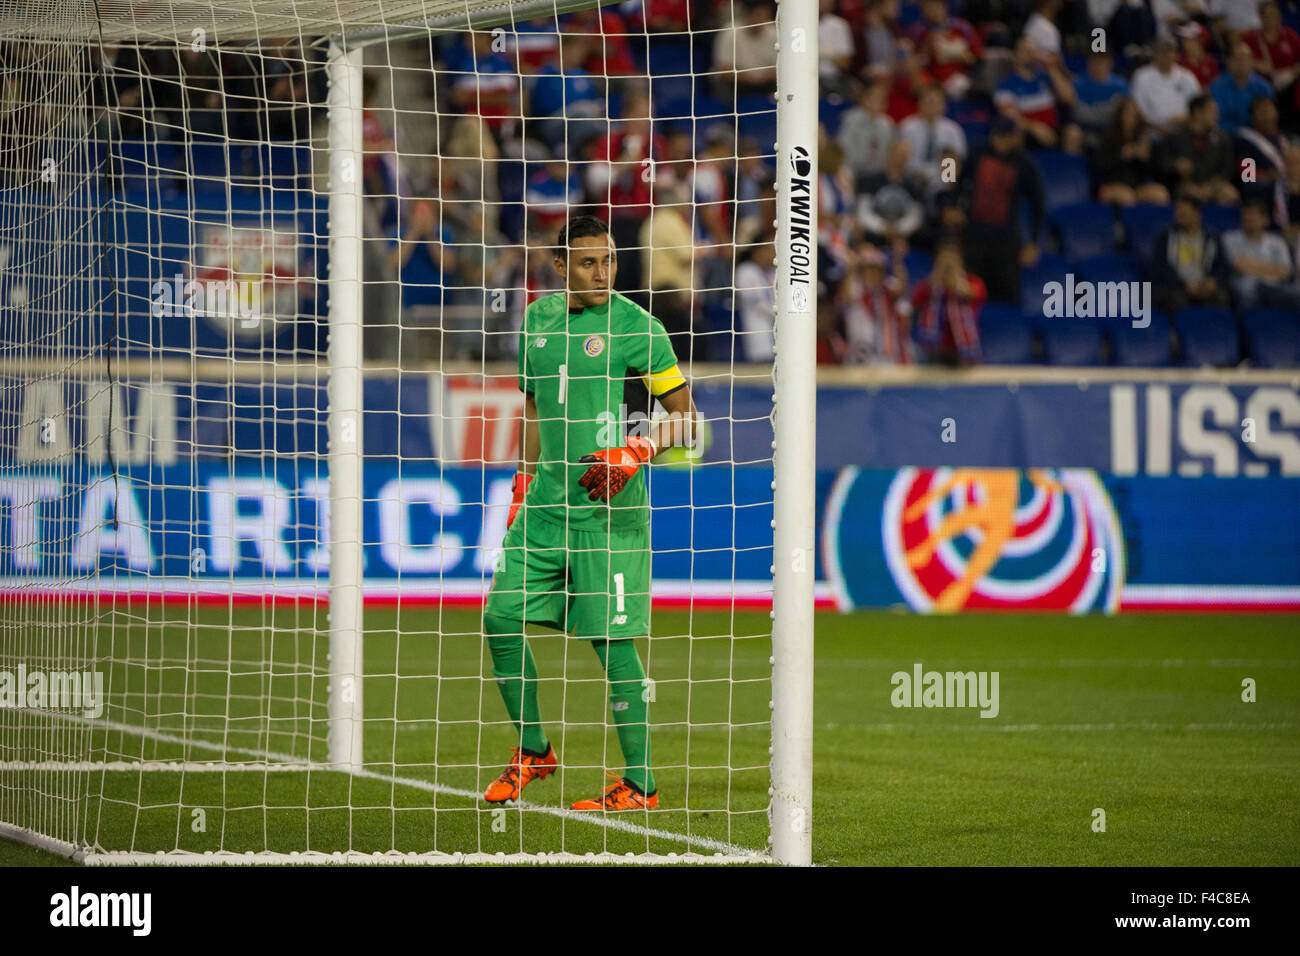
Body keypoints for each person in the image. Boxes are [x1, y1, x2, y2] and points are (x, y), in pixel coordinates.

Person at [482, 216, 699, 812]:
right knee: (500, 615)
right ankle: (533, 751)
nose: (601, 272)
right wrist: (521, 487)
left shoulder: (641, 328)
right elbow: (532, 410)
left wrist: (638, 449)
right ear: (560, 267)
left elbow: (688, 420)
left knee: (612, 642)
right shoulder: (537, 320)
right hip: (546, 509)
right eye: (586, 263)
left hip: (610, 513)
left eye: (608, 261)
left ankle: (640, 783)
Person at [958, 116, 1045, 304]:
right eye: (998, 136)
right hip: (974, 234)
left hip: (1005, 239)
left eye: (1005, 137)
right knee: (969, 290)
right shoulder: (976, 152)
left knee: (1008, 293)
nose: (999, 141)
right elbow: (953, 176)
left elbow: (1039, 203)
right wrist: (950, 205)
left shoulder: (1025, 164)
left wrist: (1034, 242)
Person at [1151, 191, 1231, 313]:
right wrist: (1183, 284)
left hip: (1204, 285)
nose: (1179, 216)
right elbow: (1160, 265)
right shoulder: (1166, 236)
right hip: (1177, 286)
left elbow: (1222, 265)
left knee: (1221, 297)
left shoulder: (1211, 237)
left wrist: (1213, 281)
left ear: (1197, 214)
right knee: (1175, 299)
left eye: (1184, 213)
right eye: (1178, 212)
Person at [911, 238, 986, 365]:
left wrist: (955, 284)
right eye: (944, 260)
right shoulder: (929, 286)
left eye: (952, 260)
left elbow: (975, 295)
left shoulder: (973, 282)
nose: (948, 264)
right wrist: (937, 278)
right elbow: (915, 301)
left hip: (964, 349)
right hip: (933, 349)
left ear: (960, 261)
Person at [1156, 94, 1239, 205]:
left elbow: (1227, 169)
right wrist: (1176, 165)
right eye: (1212, 112)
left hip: (1213, 186)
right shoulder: (1175, 137)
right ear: (1197, 113)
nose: (1216, 116)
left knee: (1230, 194)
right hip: (1183, 186)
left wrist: (1210, 186)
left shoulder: (1222, 139)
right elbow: (1161, 163)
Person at [1222, 200, 1300, 311]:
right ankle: (1248, 326)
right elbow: (1239, 266)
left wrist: (1250, 264)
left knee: (1297, 292)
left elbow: (1286, 271)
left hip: (1274, 287)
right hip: (1246, 284)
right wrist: (1272, 269)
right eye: (1245, 214)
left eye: (1254, 215)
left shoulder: (1277, 241)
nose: (1248, 218)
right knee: (1245, 290)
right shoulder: (1229, 238)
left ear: (1265, 220)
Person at [1094, 98, 1171, 207]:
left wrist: (1145, 158)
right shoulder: (1108, 137)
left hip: (1137, 186)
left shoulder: (1142, 139)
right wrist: (1121, 155)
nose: (1130, 119)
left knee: (1161, 194)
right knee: (1128, 198)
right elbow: (1099, 165)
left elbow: (1155, 171)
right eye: (1127, 114)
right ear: (1120, 116)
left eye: (1134, 116)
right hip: (1112, 184)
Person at [1130, 36, 1202, 134]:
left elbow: (1197, 106)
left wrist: (1185, 119)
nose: (1166, 55)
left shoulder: (1187, 77)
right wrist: (1159, 128)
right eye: (1162, 51)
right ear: (1154, 53)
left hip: (1184, 131)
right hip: (1152, 132)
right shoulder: (1141, 76)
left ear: (1176, 54)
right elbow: (1137, 110)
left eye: (1170, 51)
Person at [898, 85, 967, 187]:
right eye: (928, 102)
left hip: (941, 180)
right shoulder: (907, 127)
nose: (932, 106)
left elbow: (959, 159)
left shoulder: (953, 130)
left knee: (952, 158)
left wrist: (938, 176)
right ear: (920, 104)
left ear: (943, 105)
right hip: (911, 178)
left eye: (936, 102)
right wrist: (918, 173)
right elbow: (901, 160)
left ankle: (946, 196)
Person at [839, 80, 896, 188]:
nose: (877, 102)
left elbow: (890, 153)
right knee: (846, 173)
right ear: (864, 100)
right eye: (873, 98)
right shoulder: (850, 120)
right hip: (855, 171)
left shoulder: (887, 124)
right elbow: (844, 150)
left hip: (879, 173)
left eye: (881, 100)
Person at [1210, 41, 1275, 135]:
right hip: (1228, 137)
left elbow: (1271, 118)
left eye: (1246, 58)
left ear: (1252, 61)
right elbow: (1216, 121)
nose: (1242, 63)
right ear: (1229, 62)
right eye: (1238, 59)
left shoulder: (1263, 87)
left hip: (1259, 136)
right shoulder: (1216, 87)